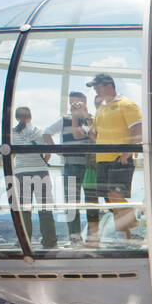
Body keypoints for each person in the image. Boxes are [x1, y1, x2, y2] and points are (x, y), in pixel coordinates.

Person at [86, 73, 143, 244]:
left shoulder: (126, 105)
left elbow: (138, 130)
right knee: (110, 201)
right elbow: (95, 135)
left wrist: (127, 152)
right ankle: (123, 236)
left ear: (109, 85)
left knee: (115, 195)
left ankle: (135, 219)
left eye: (98, 86)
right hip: (102, 159)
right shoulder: (102, 108)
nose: (95, 89)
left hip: (120, 158)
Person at [10, 105, 57, 249]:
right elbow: (48, 152)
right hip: (40, 172)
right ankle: (49, 241)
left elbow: (10, 154)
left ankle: (25, 240)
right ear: (30, 116)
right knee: (45, 208)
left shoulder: (11, 133)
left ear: (17, 118)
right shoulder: (39, 132)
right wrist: (43, 161)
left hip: (21, 173)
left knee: (24, 210)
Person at [49, 92, 93, 244]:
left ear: (85, 103)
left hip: (89, 164)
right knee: (71, 201)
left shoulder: (91, 119)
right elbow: (46, 133)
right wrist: (56, 150)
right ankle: (75, 236)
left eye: (78, 103)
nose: (74, 106)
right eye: (72, 103)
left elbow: (94, 135)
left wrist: (85, 115)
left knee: (90, 201)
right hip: (72, 163)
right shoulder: (65, 120)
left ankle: (92, 235)